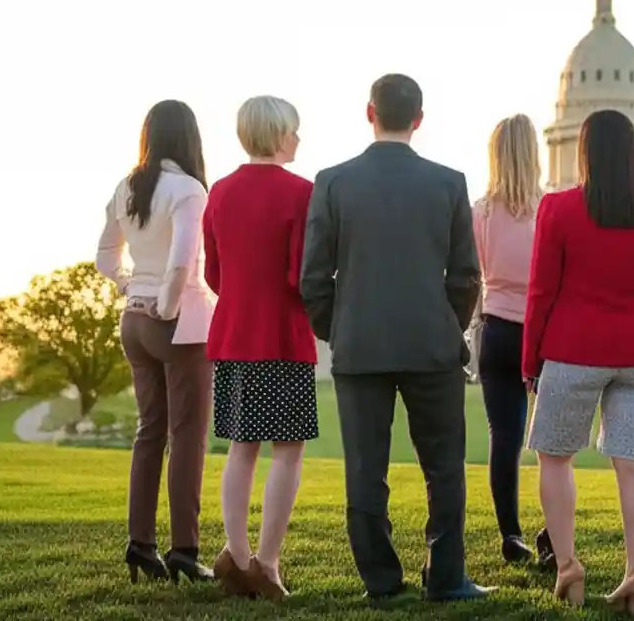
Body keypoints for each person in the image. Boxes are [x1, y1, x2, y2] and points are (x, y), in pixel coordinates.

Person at [299, 73, 489, 606]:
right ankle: (447, 577)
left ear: (369, 113)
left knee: (365, 470)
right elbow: (466, 276)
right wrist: (446, 322)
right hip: (432, 344)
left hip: (360, 346)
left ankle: (381, 582)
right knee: (444, 468)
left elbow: (314, 278)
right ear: (419, 118)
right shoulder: (449, 182)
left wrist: (337, 328)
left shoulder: (332, 182)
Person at [524, 109, 634, 617]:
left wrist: (531, 359)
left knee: (555, 457)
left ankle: (568, 565)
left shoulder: (559, 209)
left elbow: (541, 291)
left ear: (582, 152)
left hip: (573, 349)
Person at [95, 99, 218, 585]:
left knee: (150, 432)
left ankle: (140, 543)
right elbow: (184, 258)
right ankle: (185, 549)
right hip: (177, 321)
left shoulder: (128, 185)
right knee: (187, 435)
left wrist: (130, 287)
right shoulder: (189, 189)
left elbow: (106, 254)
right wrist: (166, 304)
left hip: (133, 322)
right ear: (190, 139)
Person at [203, 96, 317, 600]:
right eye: (294, 130)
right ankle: (267, 564)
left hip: (233, 333)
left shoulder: (220, 192)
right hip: (283, 336)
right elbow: (300, 276)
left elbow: (213, 272)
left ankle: (237, 554)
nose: (298, 138)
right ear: (277, 134)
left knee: (240, 448)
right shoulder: (302, 193)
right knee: (287, 452)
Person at [472, 113, 542, 563]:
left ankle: (511, 532)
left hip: (495, 328)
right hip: (540, 332)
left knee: (504, 436)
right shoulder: (549, 209)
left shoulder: (480, 210)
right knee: (552, 440)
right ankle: (555, 533)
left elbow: (475, 274)